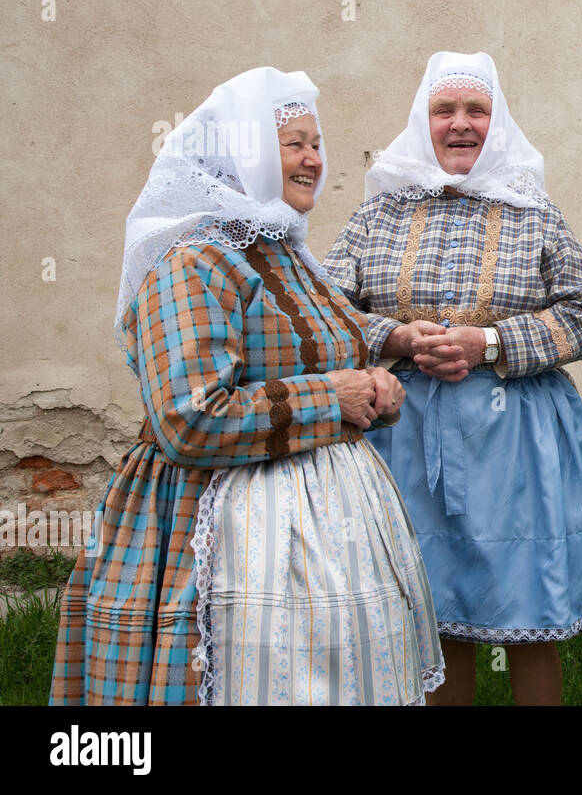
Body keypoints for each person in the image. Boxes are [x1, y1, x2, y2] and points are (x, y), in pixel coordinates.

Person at [50, 67, 443, 705]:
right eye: (294, 144)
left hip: (324, 531)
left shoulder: (283, 254)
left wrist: (384, 361)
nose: (314, 159)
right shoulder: (193, 264)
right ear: (247, 152)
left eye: (317, 143)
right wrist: (336, 398)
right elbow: (189, 418)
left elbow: (316, 340)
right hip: (222, 524)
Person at [324, 51, 582, 706]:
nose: (461, 125)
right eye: (445, 110)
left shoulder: (533, 212)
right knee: (430, 610)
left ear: (497, 120)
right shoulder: (379, 214)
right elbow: (324, 310)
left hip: (517, 441)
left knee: (527, 617)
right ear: (423, 119)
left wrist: (488, 341)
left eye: (476, 110)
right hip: (405, 435)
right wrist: (396, 338)